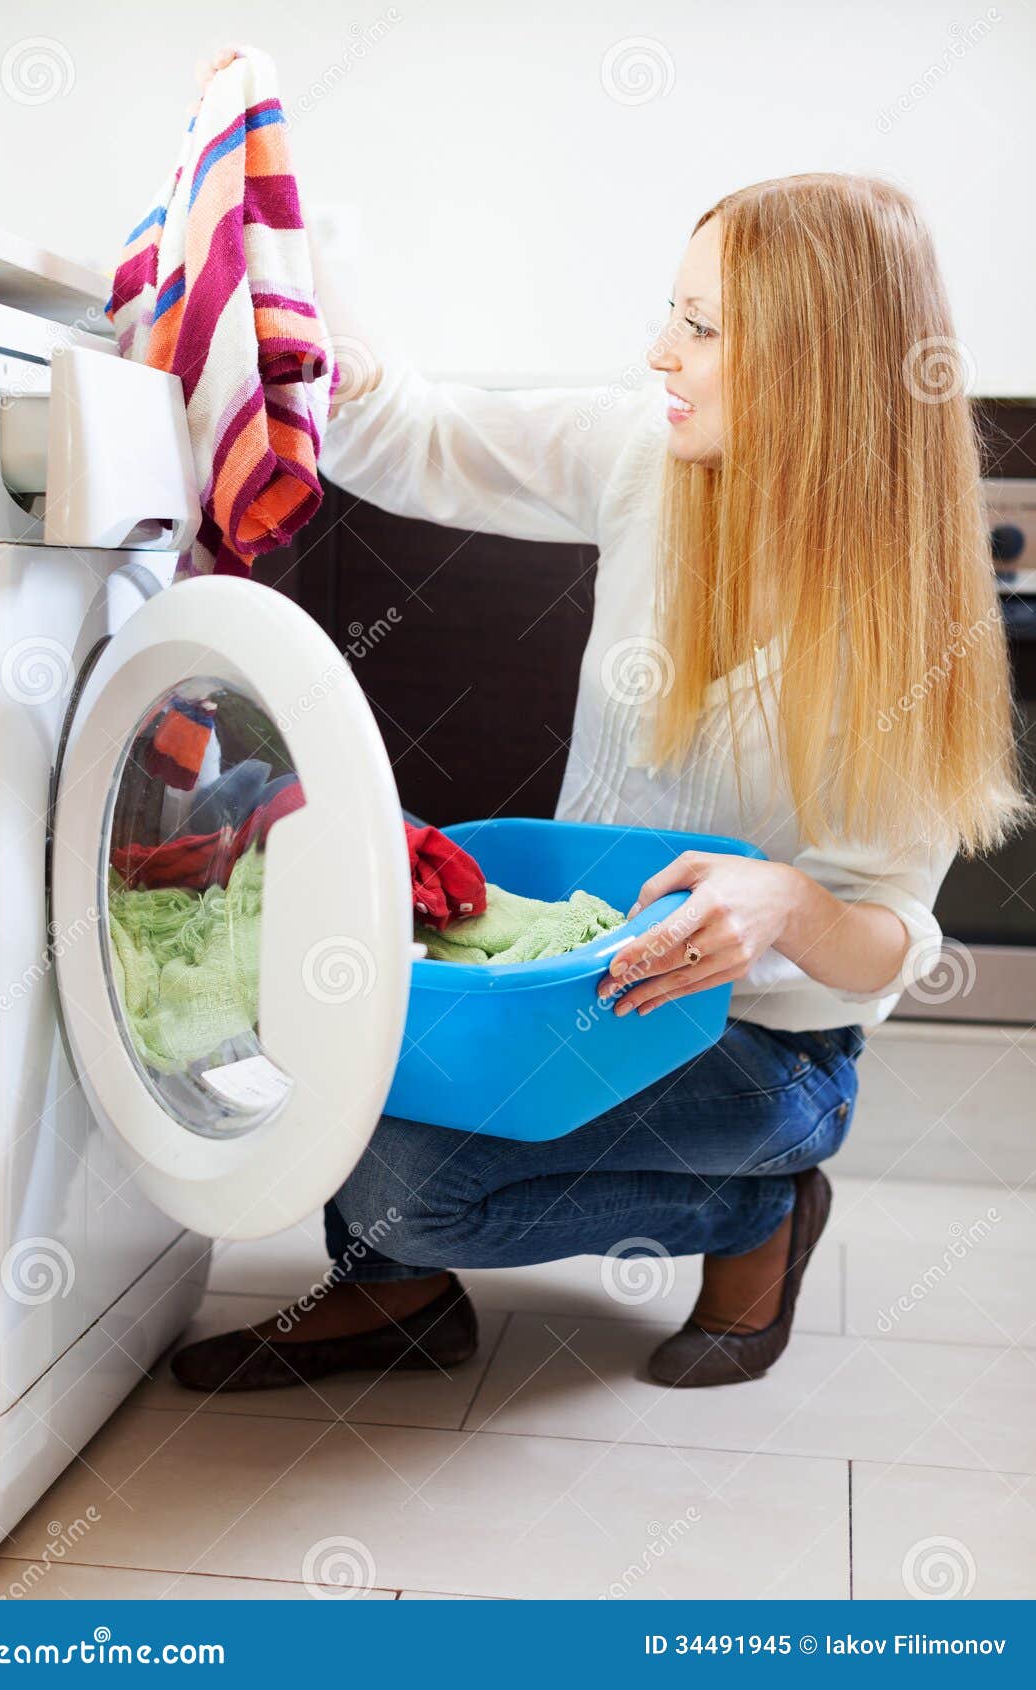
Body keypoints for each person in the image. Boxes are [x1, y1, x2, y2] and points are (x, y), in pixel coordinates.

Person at [173, 52, 1029, 1392]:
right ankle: (396, 1299)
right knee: (347, 1046)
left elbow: (886, 945)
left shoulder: (895, 635)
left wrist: (781, 905)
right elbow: (407, 435)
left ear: (809, 368)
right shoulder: (650, 457)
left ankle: (759, 1211)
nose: (657, 353)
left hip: (763, 1041)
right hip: (583, 981)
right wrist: (282, 242)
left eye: (700, 327)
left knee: (409, 1181)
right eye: (669, 313)